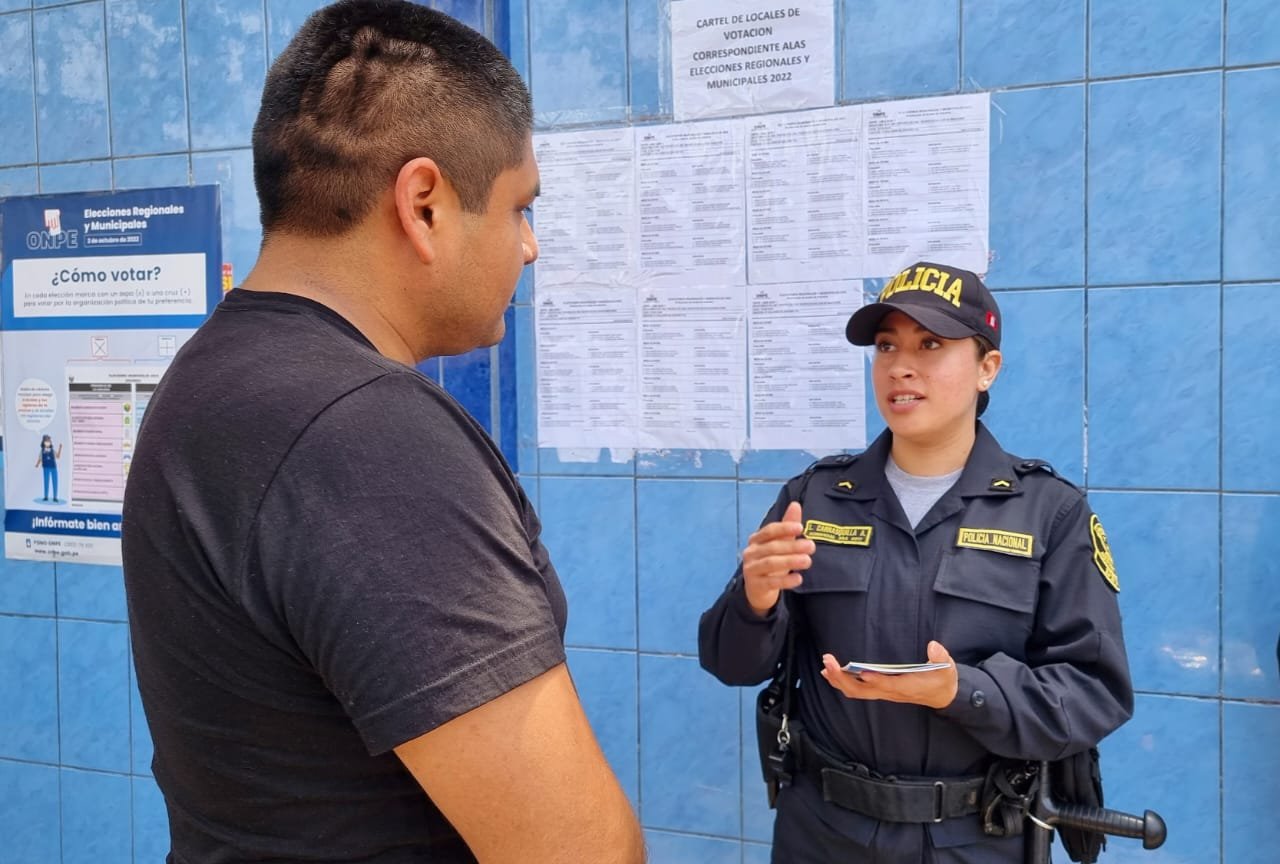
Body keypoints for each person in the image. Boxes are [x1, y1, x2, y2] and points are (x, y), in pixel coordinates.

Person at [122, 3, 644, 862]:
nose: (530, 247)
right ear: (425, 204)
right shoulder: (368, 434)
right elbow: (576, 849)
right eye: (519, 208)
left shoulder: (206, 378)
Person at [698, 262, 1133, 863]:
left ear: (988, 369)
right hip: (823, 833)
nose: (901, 365)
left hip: (975, 837)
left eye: (930, 344)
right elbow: (730, 663)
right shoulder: (816, 496)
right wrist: (755, 599)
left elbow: (1093, 692)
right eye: (886, 346)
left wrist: (965, 691)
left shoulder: (1048, 514)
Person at [36, 434, 62, 502]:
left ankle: (55, 497)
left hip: (53, 467)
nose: (48, 442)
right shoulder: (42, 451)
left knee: (55, 481)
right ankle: (46, 496)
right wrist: (37, 464)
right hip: (46, 467)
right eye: (46, 441)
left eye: (49, 441)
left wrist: (60, 448)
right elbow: (40, 458)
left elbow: (58, 456)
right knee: (46, 481)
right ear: (43, 442)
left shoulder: (52, 450)